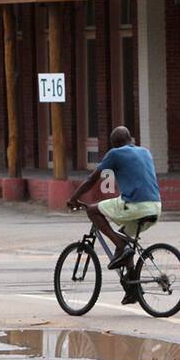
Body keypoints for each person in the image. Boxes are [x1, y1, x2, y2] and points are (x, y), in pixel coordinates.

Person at [67, 126, 162, 302]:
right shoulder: (145, 152)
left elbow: (92, 179)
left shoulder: (115, 153)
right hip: (155, 207)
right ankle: (133, 289)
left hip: (134, 204)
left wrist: (74, 198)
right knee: (126, 244)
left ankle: (119, 244)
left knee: (93, 211)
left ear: (116, 143)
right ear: (130, 139)